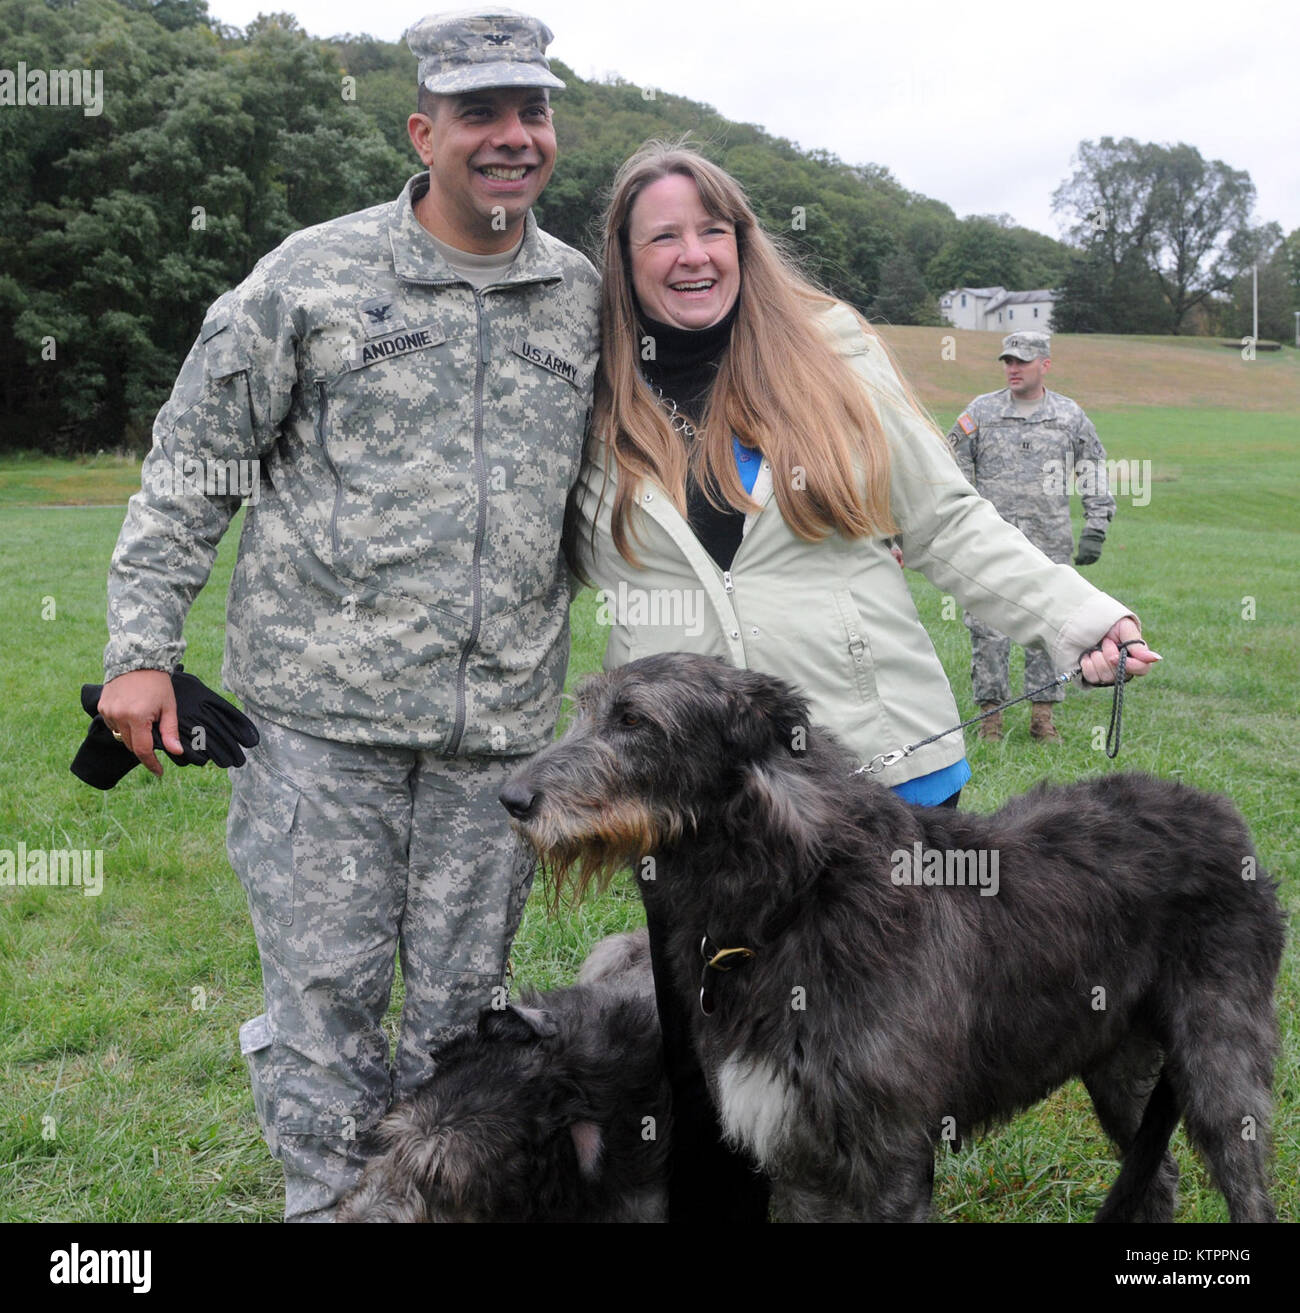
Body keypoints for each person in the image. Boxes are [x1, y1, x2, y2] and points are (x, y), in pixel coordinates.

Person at [567, 141, 1157, 1222]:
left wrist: (1081, 615)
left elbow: (947, 520)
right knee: (715, 1086)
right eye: (663, 235)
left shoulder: (827, 351)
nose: (694, 254)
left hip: (876, 782)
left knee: (877, 1090)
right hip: (686, 798)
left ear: (744, 241)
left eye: (715, 231)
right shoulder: (590, 387)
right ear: (622, 257)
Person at [95, 8, 600, 1221]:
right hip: (320, 728)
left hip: (499, 739)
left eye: (530, 111)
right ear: (424, 130)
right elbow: (193, 460)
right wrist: (139, 652)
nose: (511, 137)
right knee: (323, 999)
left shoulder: (581, 294)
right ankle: (328, 1210)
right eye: (480, 114)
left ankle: (433, 1207)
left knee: (462, 1015)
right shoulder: (311, 275)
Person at [948, 332, 1116, 742]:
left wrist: (1097, 523)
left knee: (1048, 627)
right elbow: (951, 465)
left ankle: (1043, 718)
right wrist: (962, 518)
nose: (1013, 368)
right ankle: (991, 719)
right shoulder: (981, 412)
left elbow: (1092, 467)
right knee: (988, 629)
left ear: (1045, 365)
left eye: (1022, 361)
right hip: (990, 543)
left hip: (1048, 543)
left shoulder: (1069, 416)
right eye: (1007, 361)